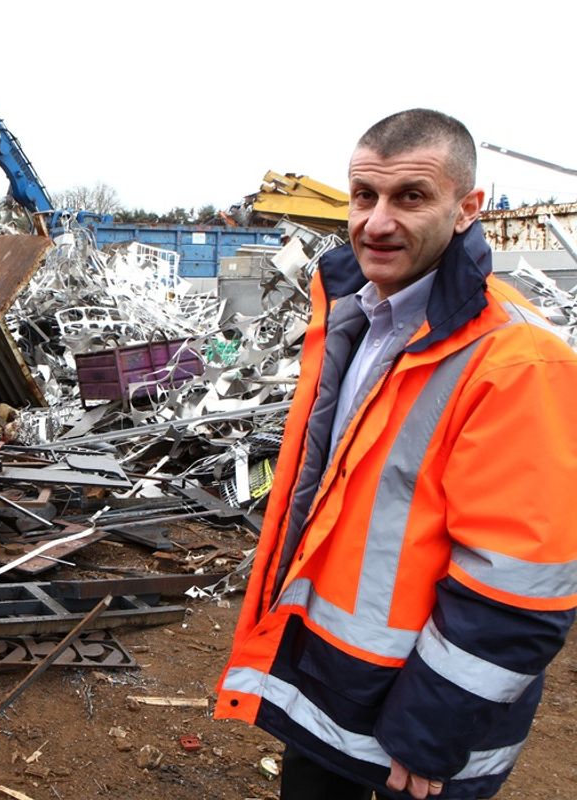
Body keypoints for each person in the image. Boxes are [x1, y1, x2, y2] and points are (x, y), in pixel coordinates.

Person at [215, 109, 577, 799]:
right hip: (330, 687)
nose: (377, 222)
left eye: (411, 196)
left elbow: (519, 585)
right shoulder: (353, 320)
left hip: (421, 724)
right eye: (364, 196)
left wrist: (433, 726)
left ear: (467, 208)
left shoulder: (519, 363)